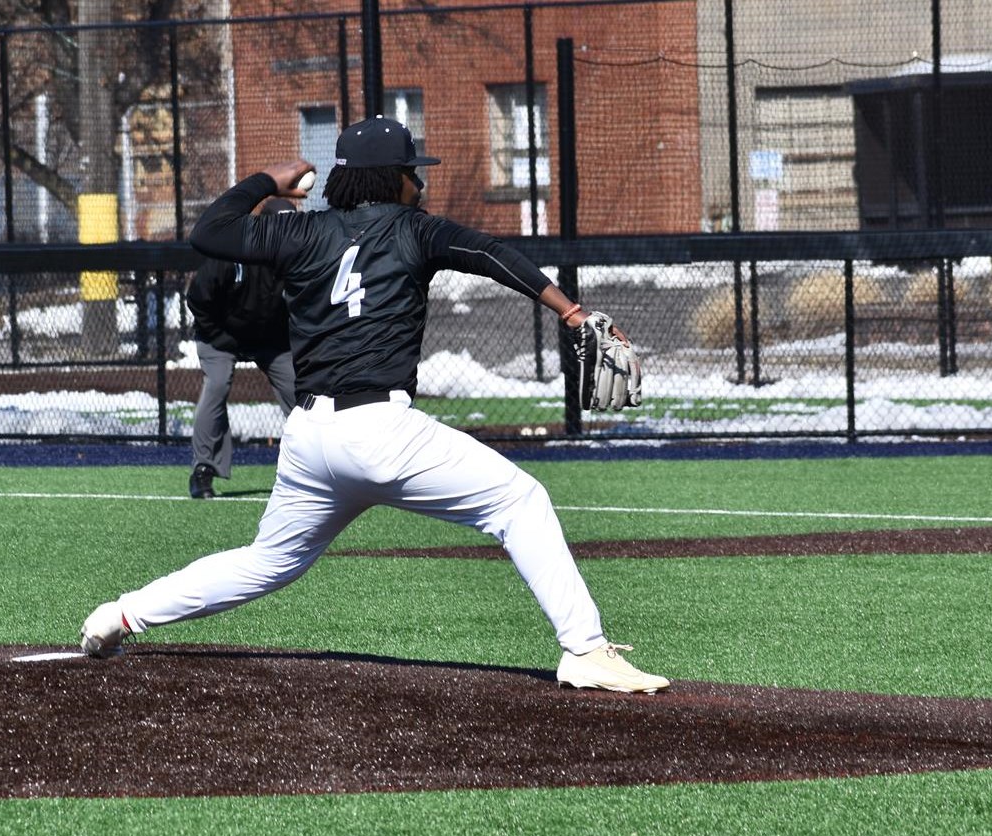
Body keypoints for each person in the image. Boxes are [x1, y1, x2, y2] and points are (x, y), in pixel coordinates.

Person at [81, 116, 668, 693]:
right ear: (393, 178)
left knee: (267, 563)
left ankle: (122, 615)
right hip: (382, 432)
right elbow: (490, 254)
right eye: (412, 171)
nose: (420, 181)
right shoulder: (415, 229)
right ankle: (587, 651)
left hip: (310, 436)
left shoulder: (302, 232)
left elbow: (210, 233)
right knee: (521, 502)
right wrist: (569, 310)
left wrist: (265, 179)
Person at [185, 196, 299, 499]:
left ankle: (320, 466)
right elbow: (198, 297)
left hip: (270, 339)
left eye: (291, 225)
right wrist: (219, 337)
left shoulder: (296, 255)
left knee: (301, 391)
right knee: (217, 385)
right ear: (264, 226)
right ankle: (203, 470)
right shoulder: (234, 252)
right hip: (220, 336)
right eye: (280, 225)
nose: (286, 232)